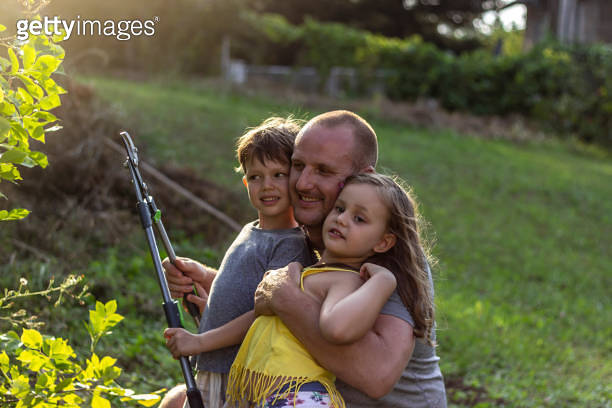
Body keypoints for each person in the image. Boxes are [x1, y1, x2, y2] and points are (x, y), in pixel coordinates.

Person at [165, 110, 447, 408]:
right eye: (298, 166)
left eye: (323, 171)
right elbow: (291, 293)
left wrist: (286, 300)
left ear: (362, 177)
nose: (302, 183)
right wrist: (211, 282)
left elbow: (376, 376)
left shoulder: (384, 257)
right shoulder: (313, 235)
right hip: (296, 395)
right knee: (177, 401)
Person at [225, 173, 435, 408]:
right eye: (339, 209)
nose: (342, 220)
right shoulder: (316, 272)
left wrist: (383, 281)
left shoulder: (349, 281)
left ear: (383, 242)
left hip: (300, 397)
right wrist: (199, 342)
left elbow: (337, 328)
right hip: (274, 392)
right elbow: (260, 318)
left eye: (359, 219)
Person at [162, 117, 313, 408]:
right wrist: (206, 276)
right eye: (255, 177)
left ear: (296, 176)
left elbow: (267, 313)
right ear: (245, 181)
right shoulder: (252, 229)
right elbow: (251, 289)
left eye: (278, 175)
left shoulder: (290, 245)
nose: (266, 186)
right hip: (213, 367)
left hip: (236, 373)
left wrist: (199, 342)